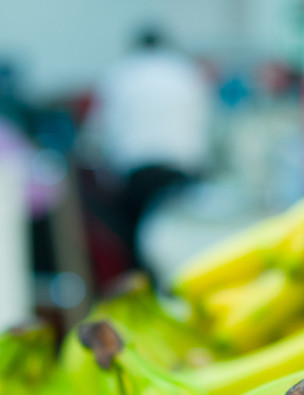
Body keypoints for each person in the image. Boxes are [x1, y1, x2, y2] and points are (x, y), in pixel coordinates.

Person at [90, 26, 213, 274]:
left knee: (137, 244)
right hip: (181, 168)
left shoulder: (121, 73)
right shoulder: (186, 72)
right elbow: (205, 123)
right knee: (179, 239)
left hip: (137, 171)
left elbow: (101, 129)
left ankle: (140, 288)